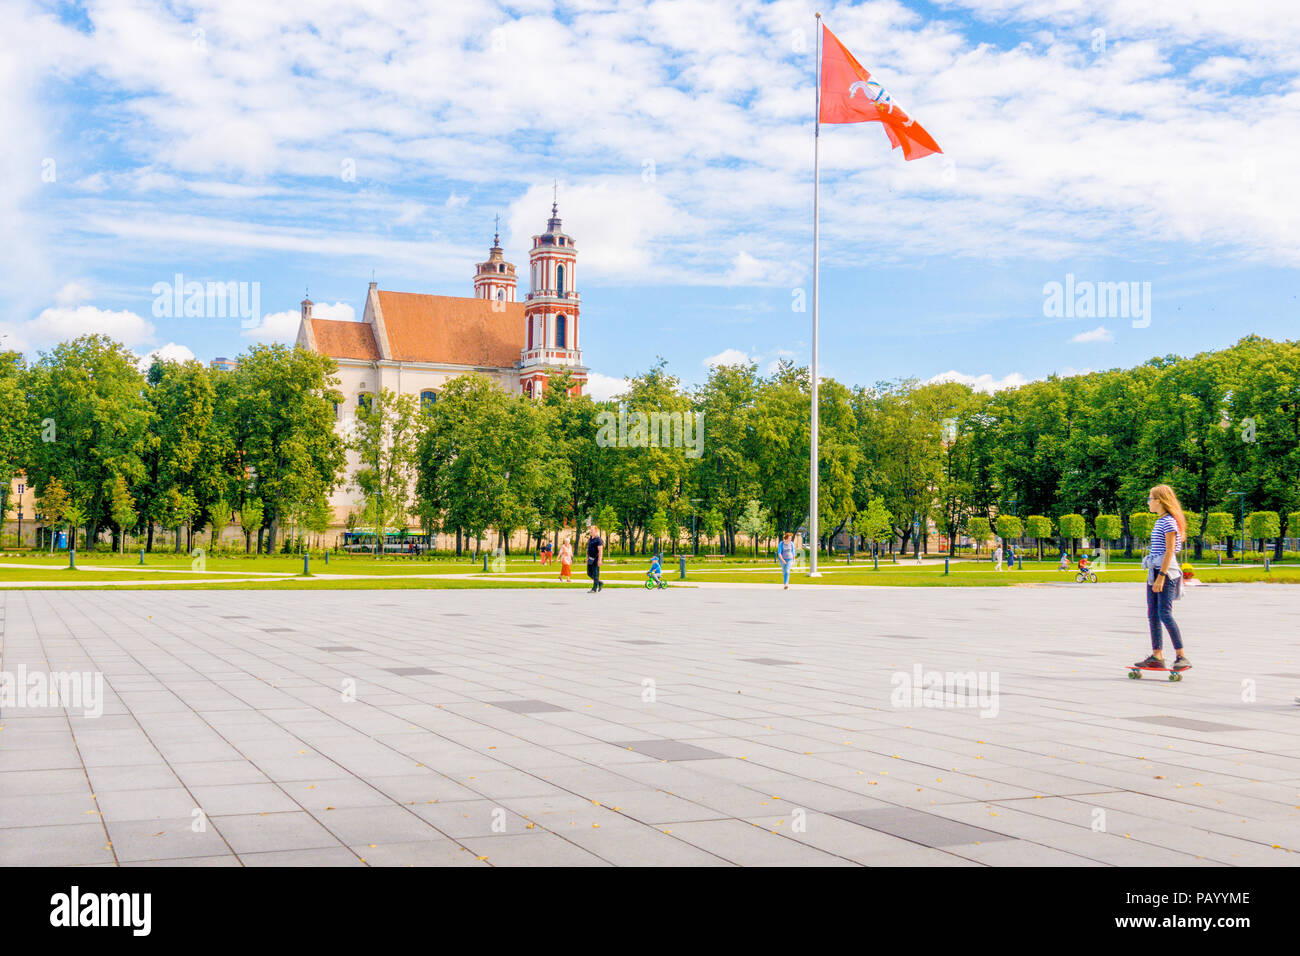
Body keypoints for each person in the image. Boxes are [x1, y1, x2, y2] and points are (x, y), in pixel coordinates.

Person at [1134, 484, 1190, 672]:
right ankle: (1157, 655)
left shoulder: (1169, 522)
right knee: (1153, 614)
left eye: (1150, 498)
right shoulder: (1161, 520)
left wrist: (1162, 577)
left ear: (1160, 500)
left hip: (1165, 572)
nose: (1148, 502)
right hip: (1155, 571)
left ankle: (1181, 656)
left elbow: (1170, 551)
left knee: (1164, 614)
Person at [586, 523, 604, 593]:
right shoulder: (590, 539)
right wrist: (587, 557)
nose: (590, 531)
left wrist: (600, 560)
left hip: (596, 559)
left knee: (595, 573)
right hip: (590, 559)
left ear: (596, 531)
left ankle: (594, 589)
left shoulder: (598, 540)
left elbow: (600, 550)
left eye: (592, 530)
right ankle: (599, 583)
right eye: (590, 530)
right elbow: (588, 549)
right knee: (589, 573)